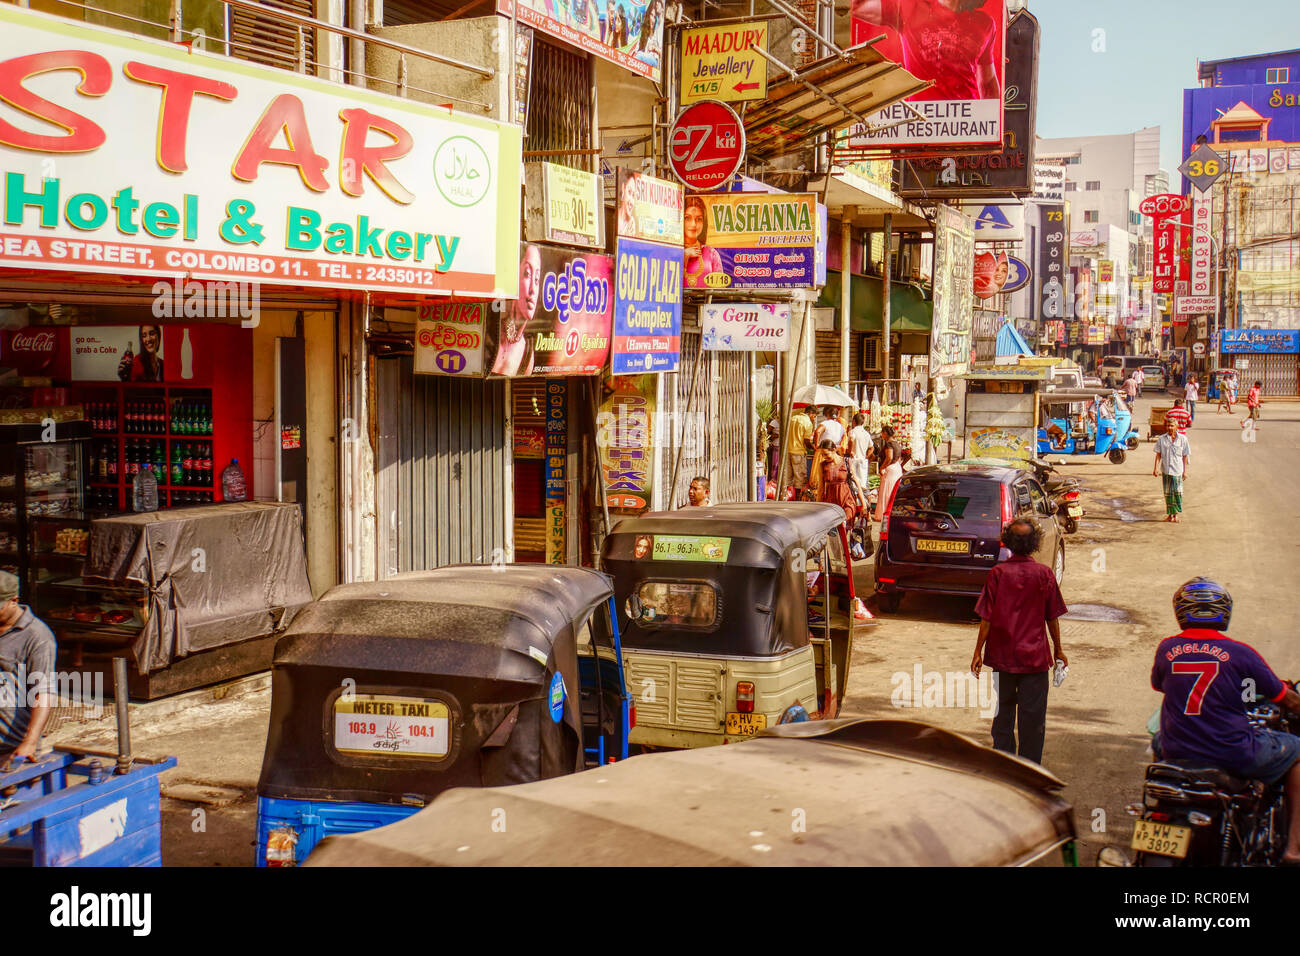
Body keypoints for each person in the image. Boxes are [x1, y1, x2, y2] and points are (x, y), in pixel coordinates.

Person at [1151, 578, 1300, 864]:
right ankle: (1294, 847)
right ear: (1224, 611)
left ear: (1181, 611)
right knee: (1296, 750)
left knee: (1158, 738)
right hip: (1232, 751)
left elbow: (1160, 685)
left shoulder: (1166, 649)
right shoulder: (1242, 653)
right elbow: (1286, 699)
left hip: (1177, 750)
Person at [969, 518, 1069, 765]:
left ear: (1008, 543)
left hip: (1003, 658)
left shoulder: (998, 573)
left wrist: (977, 652)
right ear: (1035, 543)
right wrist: (1059, 650)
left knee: (1002, 715)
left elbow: (987, 618)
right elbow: (1052, 618)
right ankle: (1030, 768)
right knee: (1033, 720)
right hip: (1034, 660)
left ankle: (1005, 765)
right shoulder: (1044, 574)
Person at [850, 0, 999, 101]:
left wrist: (993, 130)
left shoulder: (984, 23)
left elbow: (988, 82)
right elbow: (858, 7)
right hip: (921, 124)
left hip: (965, 125)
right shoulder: (909, 6)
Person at [0, 570, 56, 771]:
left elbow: (44, 692)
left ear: (13, 600)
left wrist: (30, 741)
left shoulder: (37, 637)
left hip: (10, 746)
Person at [492, 244, 541, 376]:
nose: (533, 289)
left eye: (537, 279)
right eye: (527, 274)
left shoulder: (527, 354)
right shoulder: (491, 331)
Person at [1153, 414, 1190, 523]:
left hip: (1178, 470)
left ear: (1176, 427)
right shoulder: (1161, 439)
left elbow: (1185, 456)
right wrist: (1156, 468)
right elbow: (1158, 455)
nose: (1170, 428)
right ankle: (1170, 515)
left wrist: (1185, 471)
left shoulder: (1183, 439)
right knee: (1168, 494)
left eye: (1172, 426)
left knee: (1177, 493)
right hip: (1166, 470)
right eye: (1168, 426)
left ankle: (1175, 515)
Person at [683, 196, 723, 289]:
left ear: (704, 222)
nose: (693, 224)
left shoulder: (711, 253)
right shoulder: (670, 250)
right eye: (687, 218)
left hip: (706, 302)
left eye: (699, 219)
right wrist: (684, 255)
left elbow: (719, 290)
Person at [873, 425, 903, 522]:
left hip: (890, 469)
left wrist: (882, 467)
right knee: (891, 491)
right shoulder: (896, 444)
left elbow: (889, 457)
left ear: (885, 433)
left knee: (886, 491)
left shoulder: (889, 444)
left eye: (882, 433)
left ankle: (883, 514)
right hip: (896, 468)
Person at [787, 405, 814, 493]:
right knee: (799, 479)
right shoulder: (808, 422)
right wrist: (813, 447)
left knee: (788, 478)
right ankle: (797, 499)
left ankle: (787, 497)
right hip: (798, 452)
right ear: (810, 413)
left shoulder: (793, 418)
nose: (813, 418)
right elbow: (806, 441)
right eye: (814, 416)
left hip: (787, 451)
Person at [846, 412, 872, 494]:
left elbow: (850, 440)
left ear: (854, 421)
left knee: (853, 485)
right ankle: (866, 503)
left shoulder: (852, 432)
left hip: (854, 460)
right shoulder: (866, 434)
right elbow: (871, 447)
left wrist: (850, 451)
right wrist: (866, 456)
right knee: (863, 485)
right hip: (863, 461)